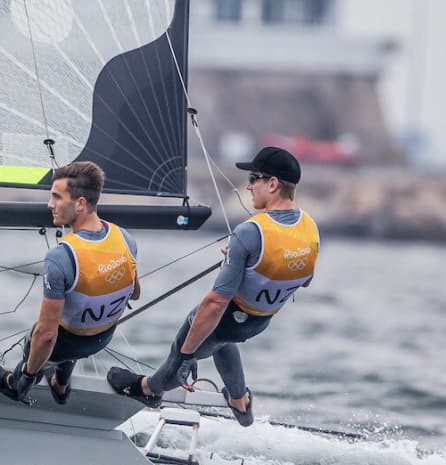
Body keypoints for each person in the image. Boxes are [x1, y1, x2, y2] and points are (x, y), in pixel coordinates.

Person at [107, 146, 319, 426]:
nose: (248, 186)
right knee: (221, 341)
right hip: (260, 321)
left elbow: (215, 303)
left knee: (184, 350)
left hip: (230, 317)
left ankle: (148, 389)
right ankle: (240, 401)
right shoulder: (309, 225)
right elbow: (303, 280)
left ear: (272, 184)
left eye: (255, 178)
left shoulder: (251, 232)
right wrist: (245, 263)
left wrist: (186, 355)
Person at [0, 161, 141, 406]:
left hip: (66, 346)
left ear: (80, 203)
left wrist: (29, 374)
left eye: (56, 197)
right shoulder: (124, 237)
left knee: (38, 336)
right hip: (103, 338)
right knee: (70, 317)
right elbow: (135, 294)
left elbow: (46, 337)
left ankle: (14, 384)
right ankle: (60, 385)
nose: (49, 204)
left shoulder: (61, 257)